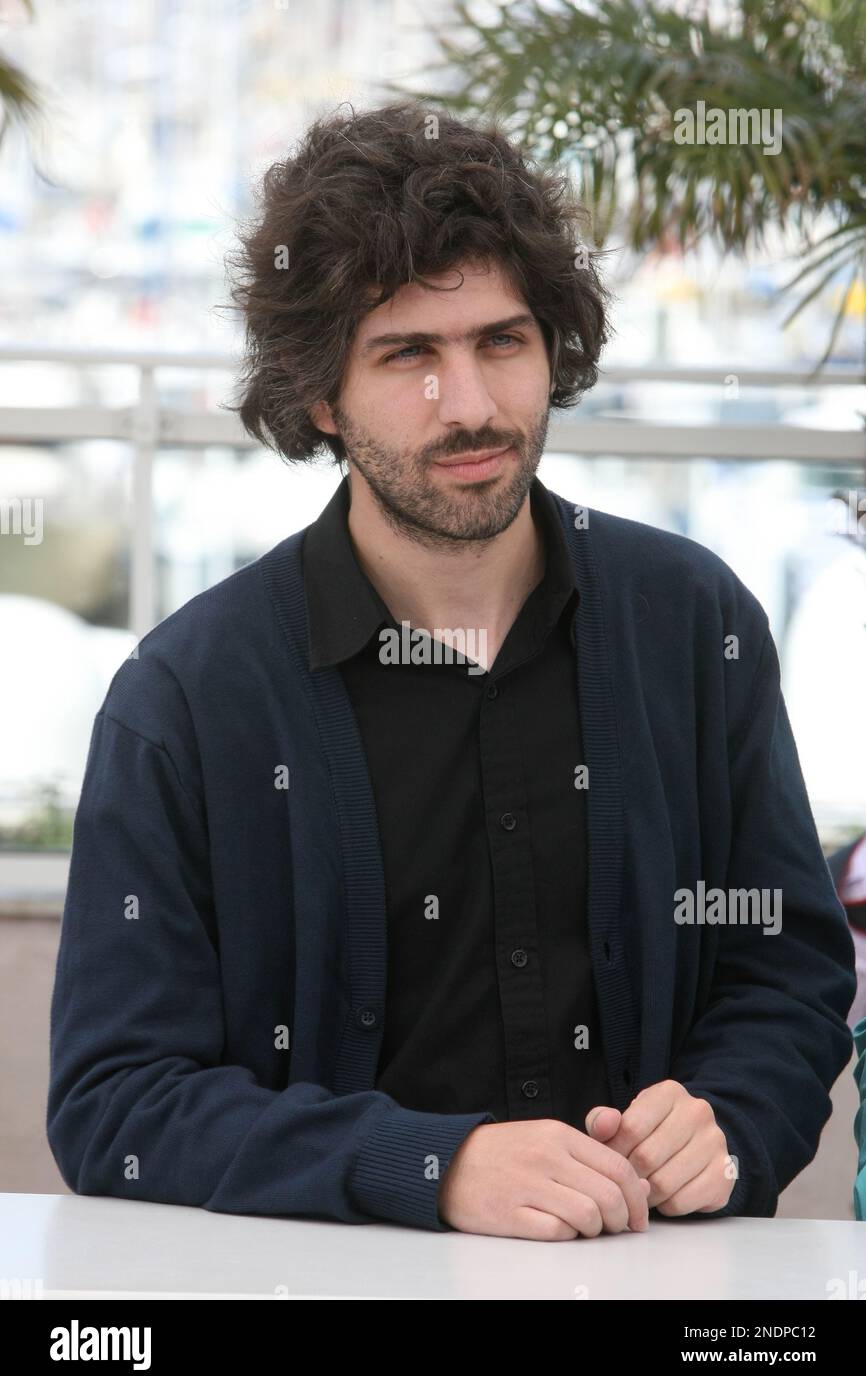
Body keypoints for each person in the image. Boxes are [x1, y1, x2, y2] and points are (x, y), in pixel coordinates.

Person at [47, 101, 856, 1242]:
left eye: (499, 341)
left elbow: (782, 967)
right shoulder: (186, 698)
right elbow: (112, 1102)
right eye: (407, 354)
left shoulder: (691, 620)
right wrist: (431, 1164)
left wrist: (725, 1119)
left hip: (650, 1284)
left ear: (552, 348)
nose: (468, 405)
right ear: (319, 394)